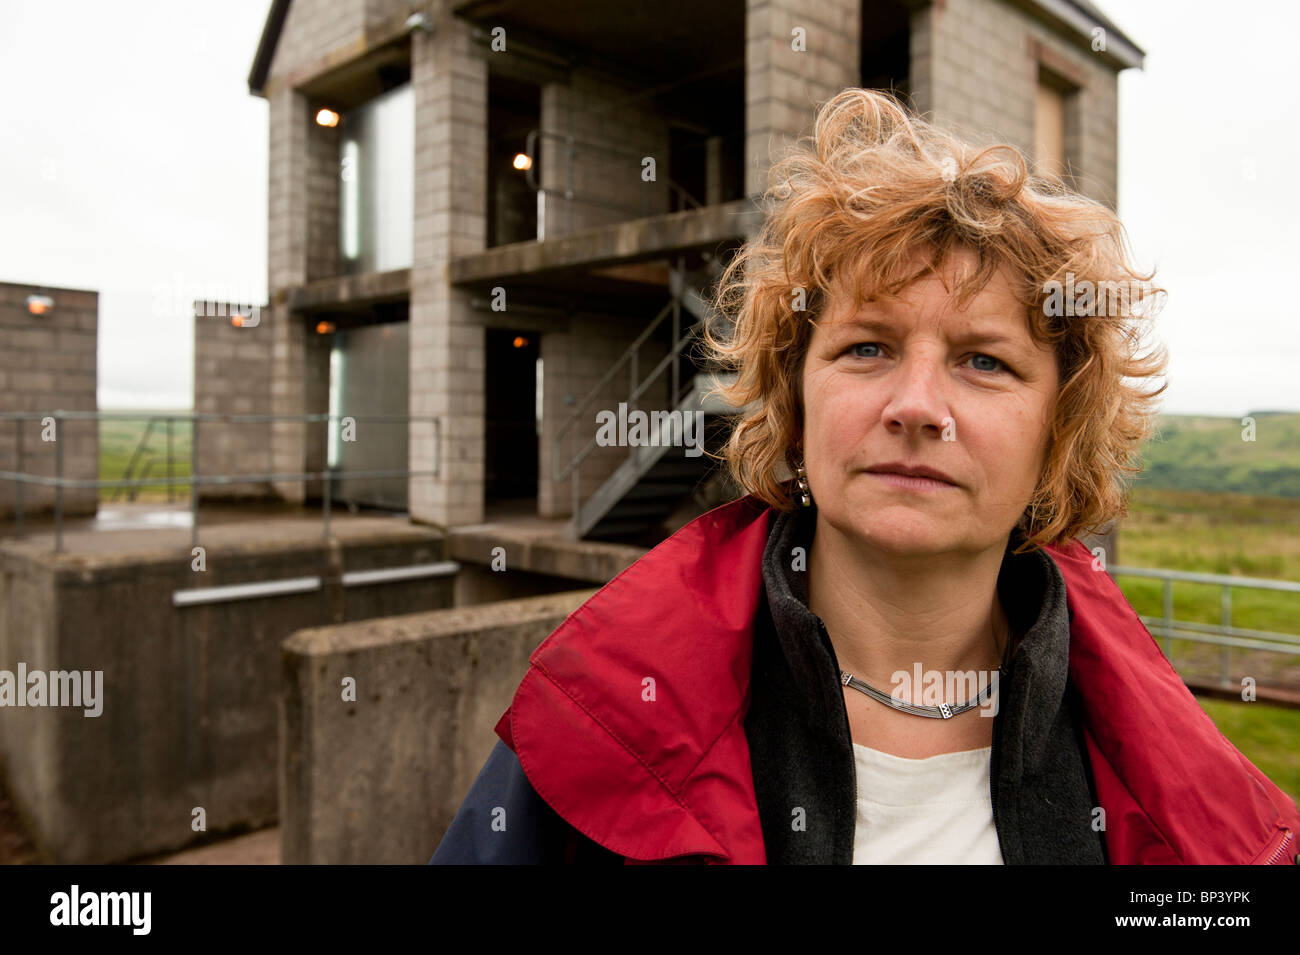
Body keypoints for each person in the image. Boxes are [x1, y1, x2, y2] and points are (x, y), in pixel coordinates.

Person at [430, 88, 1300, 865]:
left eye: (985, 361)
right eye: (867, 347)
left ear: (1056, 432)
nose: (917, 405)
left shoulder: (1190, 801)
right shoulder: (603, 719)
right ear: (796, 402)